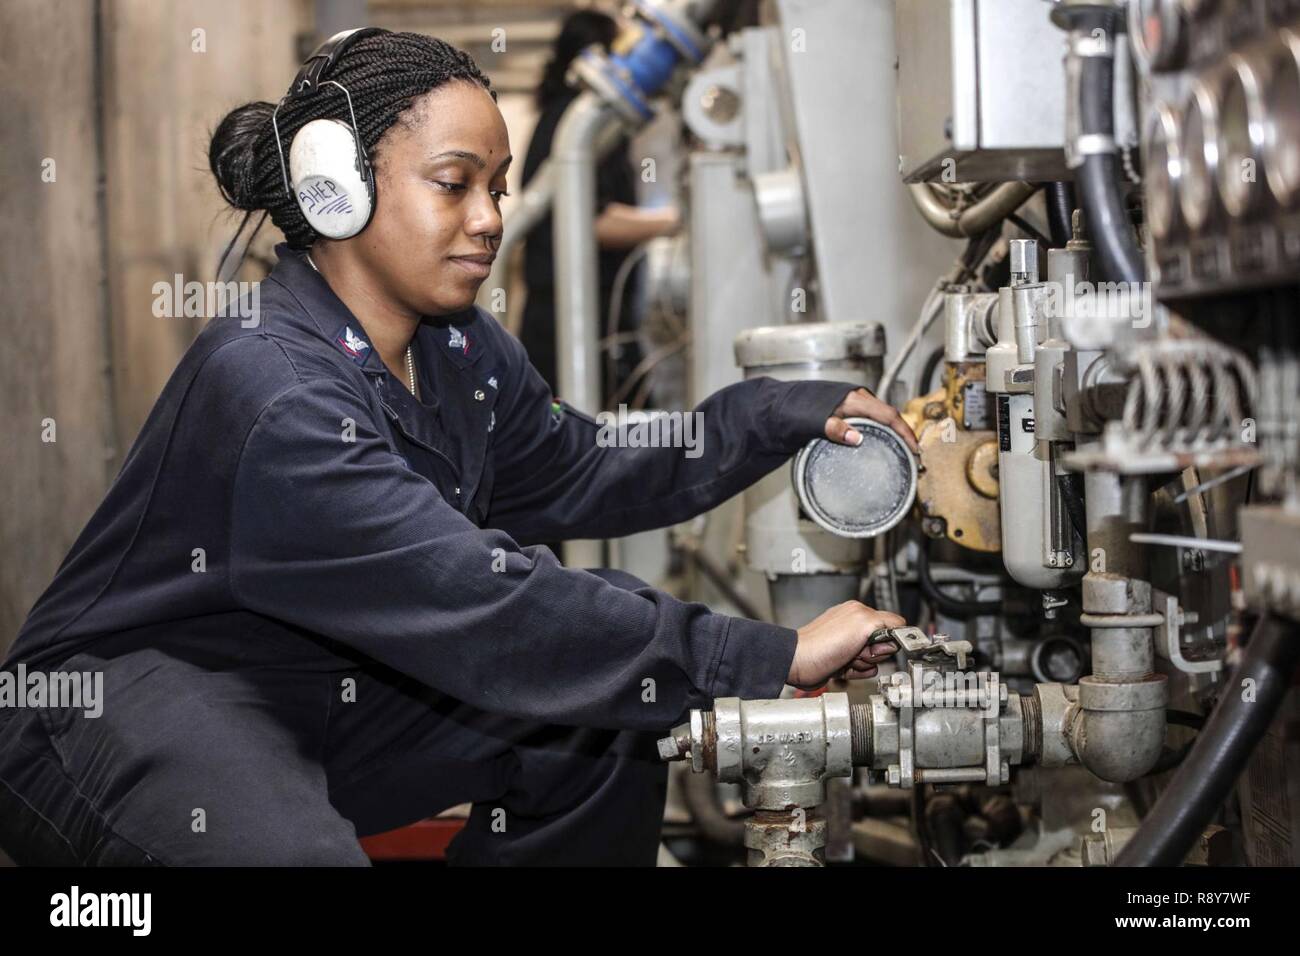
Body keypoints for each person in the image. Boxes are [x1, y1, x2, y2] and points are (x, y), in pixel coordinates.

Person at [0, 28, 917, 866]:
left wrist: (778, 413)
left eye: (500, 186)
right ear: (337, 188)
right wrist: (766, 654)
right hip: (133, 705)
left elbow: (586, 470)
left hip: (323, 693)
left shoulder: (458, 351)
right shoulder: (274, 390)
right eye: (454, 184)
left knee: (603, 720)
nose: (490, 216)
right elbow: (482, 604)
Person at [519, 10, 680, 398]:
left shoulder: (572, 120)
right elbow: (594, 222)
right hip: (576, 324)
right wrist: (676, 221)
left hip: (578, 318)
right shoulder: (581, 124)